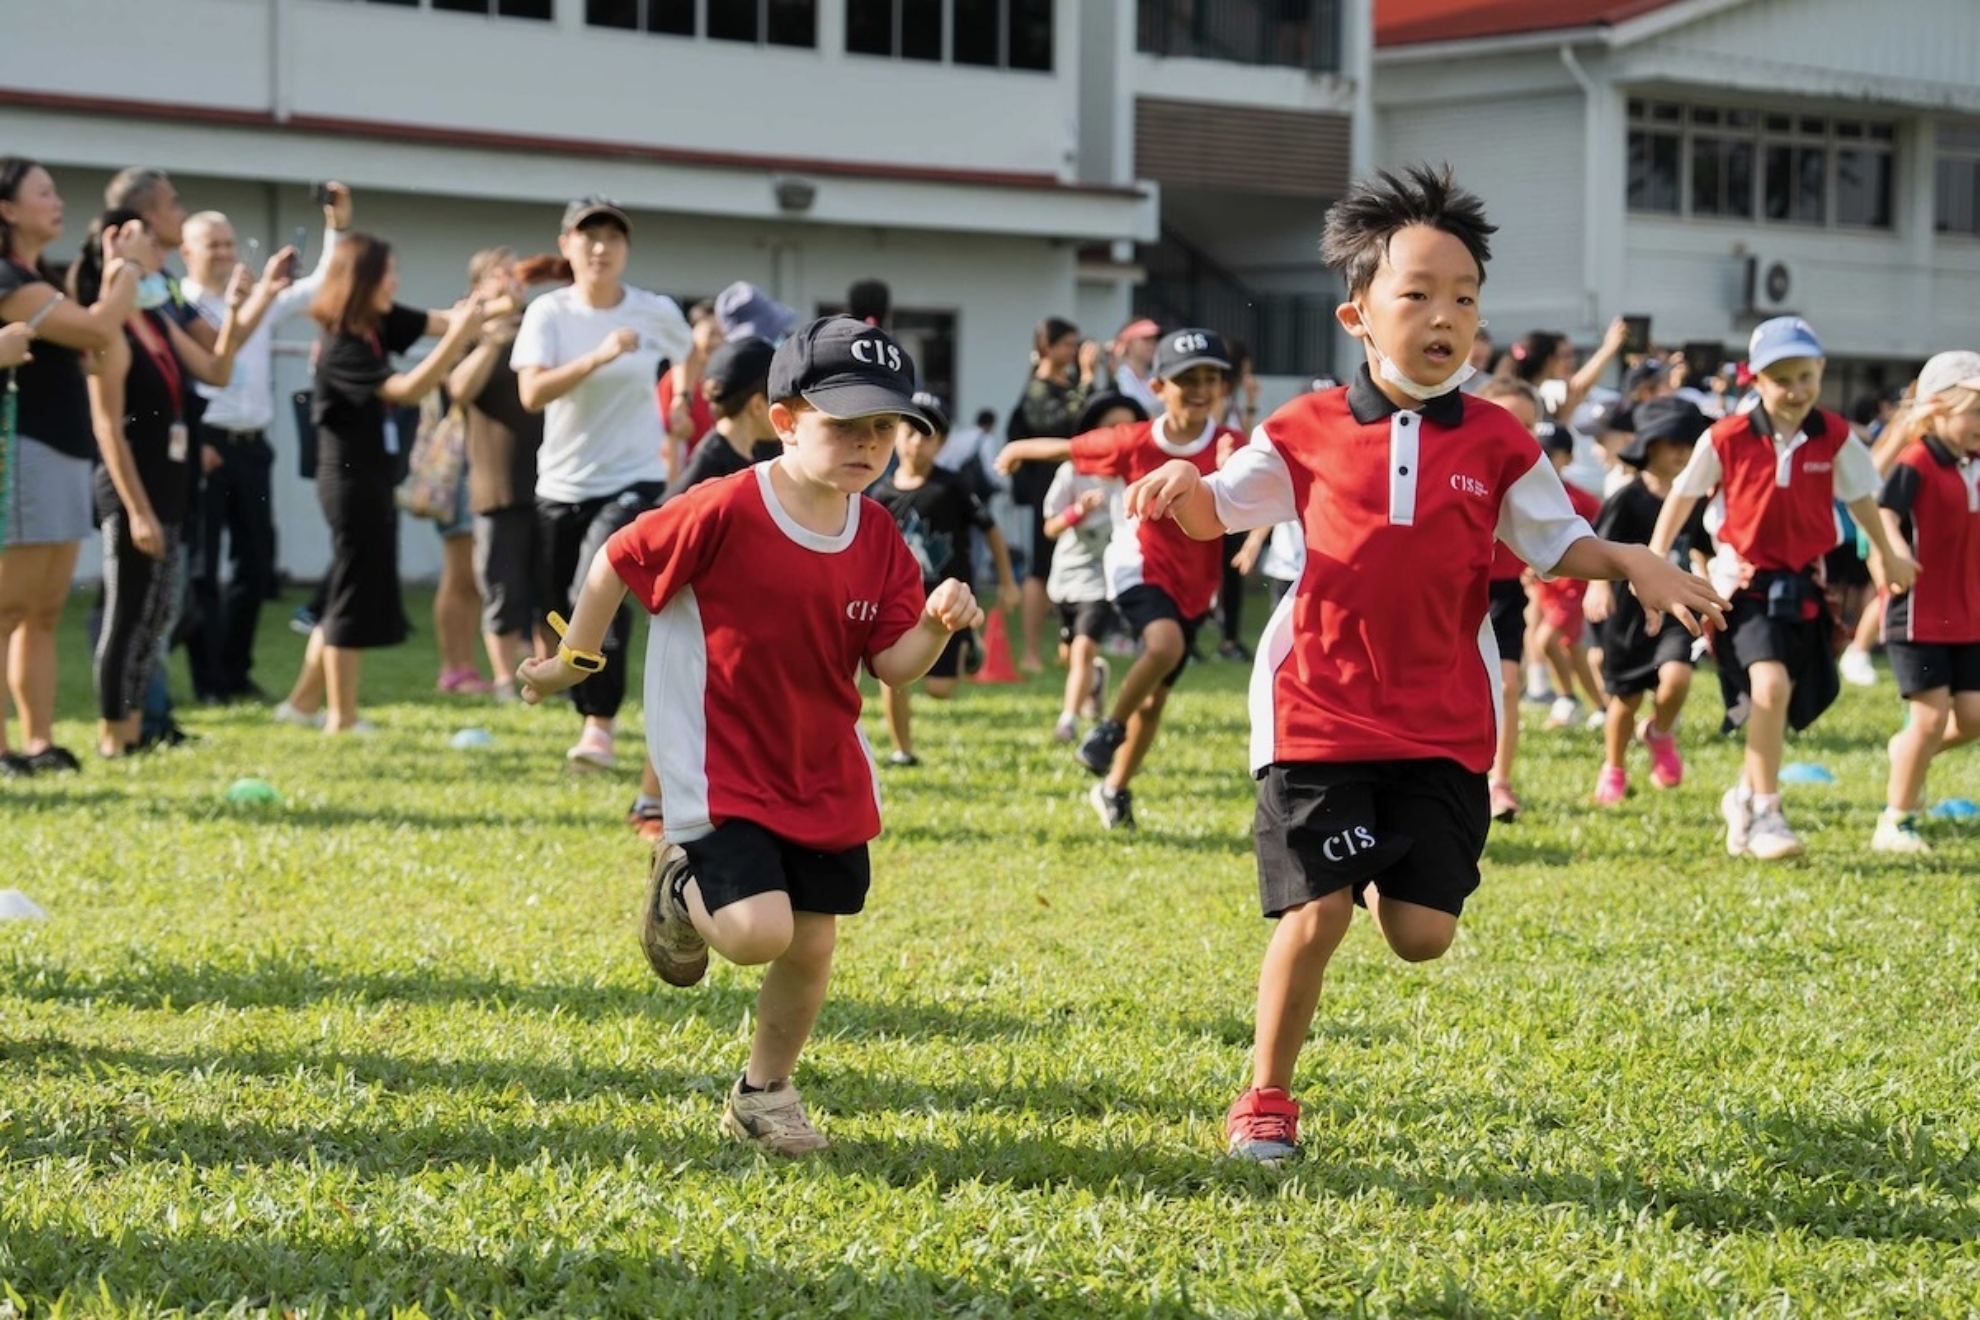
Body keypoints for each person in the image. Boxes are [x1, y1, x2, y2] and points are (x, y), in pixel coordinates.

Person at [1118, 165, 1727, 1163]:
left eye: (1465, 298)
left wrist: (1627, 557)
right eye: (1419, 294)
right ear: (1359, 315)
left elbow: (1552, 541)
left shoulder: (1498, 438)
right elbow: (1216, 507)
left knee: (1421, 935)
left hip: (1444, 718)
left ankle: (1367, 853)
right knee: (1316, 912)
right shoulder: (1303, 429)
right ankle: (1265, 1098)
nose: (1446, 316)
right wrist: (1182, 482)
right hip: (1316, 707)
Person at [515, 316, 982, 1155]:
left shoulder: (878, 536)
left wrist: (942, 628)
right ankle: (678, 877)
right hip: (717, 760)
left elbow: (892, 664)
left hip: (820, 766)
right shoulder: (726, 506)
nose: (869, 444)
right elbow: (618, 558)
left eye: (885, 428)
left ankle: (764, 1095)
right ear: (786, 420)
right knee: (756, 932)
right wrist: (574, 661)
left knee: (812, 940)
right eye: (845, 425)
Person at [1647, 315, 1917, 861]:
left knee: (1784, 697)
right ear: (1756, 379)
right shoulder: (1725, 437)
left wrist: (1887, 555)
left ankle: (1745, 797)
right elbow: (1683, 495)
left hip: (1805, 586)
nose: (1796, 391)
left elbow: (1863, 497)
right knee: (1768, 688)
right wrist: (1654, 558)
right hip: (1743, 585)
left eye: (1807, 377)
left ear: (1820, 373)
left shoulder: (1834, 435)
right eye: (1782, 378)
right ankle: (1769, 809)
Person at [998, 328, 1239, 831]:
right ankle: (1107, 729)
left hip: (1195, 583)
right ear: (1158, 389)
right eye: (1186, 379)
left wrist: (1233, 473)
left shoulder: (1229, 445)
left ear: (1223, 389)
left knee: (1153, 703)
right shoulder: (1134, 440)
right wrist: (1019, 446)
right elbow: (1069, 447)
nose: (1199, 389)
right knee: (1166, 644)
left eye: (1210, 380)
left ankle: (1114, 788)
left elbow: (1257, 483)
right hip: (1138, 563)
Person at [275, 233, 483, 734]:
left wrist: (492, 302)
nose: (396, 279)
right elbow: (408, 389)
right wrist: (459, 339)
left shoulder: (377, 325)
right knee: (351, 595)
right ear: (363, 279)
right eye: (387, 271)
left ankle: (302, 704)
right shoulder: (343, 345)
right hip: (348, 485)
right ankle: (342, 718)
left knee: (346, 590)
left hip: (370, 478)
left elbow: (446, 320)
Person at [512, 196, 692, 773]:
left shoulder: (653, 309)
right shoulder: (549, 313)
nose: (600, 248)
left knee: (603, 586)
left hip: (632, 481)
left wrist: (683, 398)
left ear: (626, 249)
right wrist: (599, 356)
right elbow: (532, 393)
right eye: (588, 237)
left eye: (613, 237)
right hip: (560, 484)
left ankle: (600, 726)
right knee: (558, 603)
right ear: (566, 245)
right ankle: (584, 705)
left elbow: (689, 351)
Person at [73, 209, 255, 756]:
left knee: (153, 620)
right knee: (126, 618)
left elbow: (218, 367)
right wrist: (137, 511)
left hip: (168, 487)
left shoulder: (157, 322)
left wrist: (246, 306)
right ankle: (116, 737)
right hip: (134, 493)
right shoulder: (111, 331)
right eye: (147, 246)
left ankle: (133, 732)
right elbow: (107, 427)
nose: (161, 254)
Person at [178, 186, 349, 702]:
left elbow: (322, 282)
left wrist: (336, 224)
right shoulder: (178, 305)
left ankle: (235, 674)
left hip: (252, 447)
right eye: (213, 245)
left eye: (230, 243)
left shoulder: (258, 302)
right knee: (203, 570)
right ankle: (209, 683)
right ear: (187, 252)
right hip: (204, 441)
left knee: (256, 568)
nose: (226, 253)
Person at [1, 157, 143, 775]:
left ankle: (38, 742)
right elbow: (96, 324)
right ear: (7, 210)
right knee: (7, 610)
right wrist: (129, 270)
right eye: (43, 193)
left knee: (44, 612)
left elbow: (100, 348)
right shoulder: (9, 279)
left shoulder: (44, 277)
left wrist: (113, 279)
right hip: (26, 452)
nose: (57, 203)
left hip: (60, 451)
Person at [624, 334, 785, 841]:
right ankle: (650, 803)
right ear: (759, 404)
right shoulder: (711, 464)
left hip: (732, 616)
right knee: (682, 711)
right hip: (694, 615)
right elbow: (654, 531)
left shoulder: (752, 455)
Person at [869, 391, 1020, 766]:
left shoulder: (953, 486)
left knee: (939, 689)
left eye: (928, 434)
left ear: (942, 442)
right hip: (898, 602)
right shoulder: (879, 494)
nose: (917, 442)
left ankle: (972, 650)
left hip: (948, 604)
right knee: (893, 676)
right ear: (895, 434)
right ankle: (903, 750)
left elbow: (991, 530)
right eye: (910, 431)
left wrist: (1007, 580)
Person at [1870, 351, 1980, 854]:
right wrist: (1891, 551)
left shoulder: (1972, 464)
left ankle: (1907, 749)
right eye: (1974, 410)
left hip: (1968, 612)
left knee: (1973, 717)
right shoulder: (1916, 462)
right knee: (1931, 718)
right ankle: (1896, 821)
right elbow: (1882, 512)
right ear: (1938, 408)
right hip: (1918, 612)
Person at [1583, 396, 1711, 805]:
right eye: (1672, 442)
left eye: (1689, 445)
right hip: (1629, 613)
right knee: (1626, 699)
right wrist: (1598, 586)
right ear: (1649, 446)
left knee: (1678, 677)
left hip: (1677, 611)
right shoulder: (1627, 497)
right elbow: (1598, 548)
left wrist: (1707, 585)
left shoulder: (1695, 499)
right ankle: (1614, 765)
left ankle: (1660, 732)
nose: (1681, 453)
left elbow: (1699, 549)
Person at [450, 246, 550, 706]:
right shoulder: (469, 331)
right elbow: (458, 389)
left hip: (552, 477)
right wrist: (492, 337)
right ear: (478, 287)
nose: (513, 281)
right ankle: (505, 680)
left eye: (516, 272)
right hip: (497, 482)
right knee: (502, 586)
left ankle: (549, 678)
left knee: (549, 587)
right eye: (499, 275)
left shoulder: (542, 322)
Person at [1042, 391, 1143, 743]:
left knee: (1084, 649)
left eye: (1129, 428)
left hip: (1104, 580)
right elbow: (1050, 527)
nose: (1121, 435)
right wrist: (1077, 512)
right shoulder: (1071, 472)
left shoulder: (1135, 477)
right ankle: (1095, 679)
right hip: (1068, 576)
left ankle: (1067, 721)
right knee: (1070, 655)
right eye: (1112, 427)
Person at [1006, 317, 1100, 674]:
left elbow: (1091, 420)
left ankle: (1070, 643)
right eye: (1067, 345)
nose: (1073, 352)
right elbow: (1060, 425)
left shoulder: (1070, 383)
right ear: (1048, 346)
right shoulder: (1038, 388)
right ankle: (1031, 650)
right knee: (1041, 567)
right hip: (1047, 483)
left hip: (1079, 479)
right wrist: (1089, 379)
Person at [1531, 427, 1607, 728]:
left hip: (1574, 586)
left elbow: (1603, 535)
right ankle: (1599, 706)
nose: (1546, 458)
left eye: (1553, 453)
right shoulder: (1530, 492)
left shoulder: (1581, 500)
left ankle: (1567, 698)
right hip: (1546, 584)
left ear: (1569, 458)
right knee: (1572, 648)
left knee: (1545, 640)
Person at [1108, 317, 1160, 413]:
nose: (1152, 344)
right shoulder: (1119, 378)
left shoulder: (1155, 378)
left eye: (1154, 340)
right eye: (1146, 339)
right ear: (1129, 343)